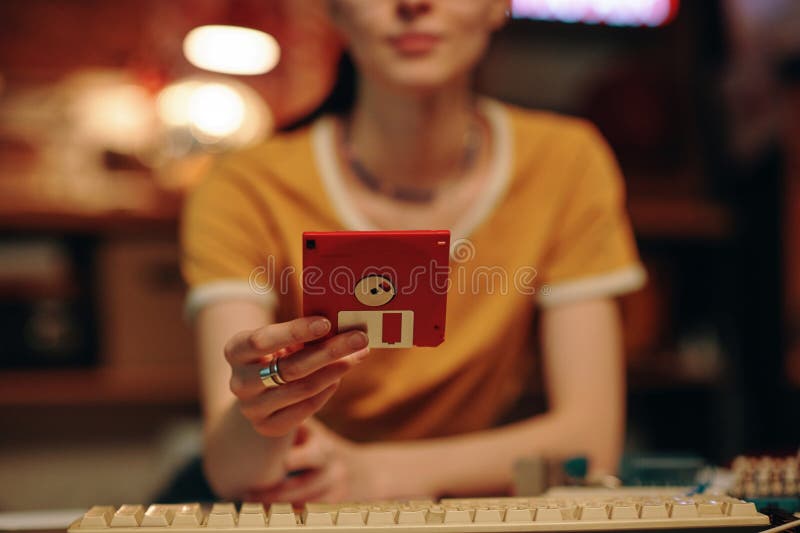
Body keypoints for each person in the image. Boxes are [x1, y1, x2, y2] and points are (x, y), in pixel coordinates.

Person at [180, 0, 646, 503]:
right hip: (308, 493)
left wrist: (378, 473)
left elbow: (591, 444)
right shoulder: (246, 185)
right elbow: (235, 471)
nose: (413, 4)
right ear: (335, 13)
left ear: (498, 7)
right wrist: (263, 408)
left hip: (469, 503)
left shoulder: (565, 163)